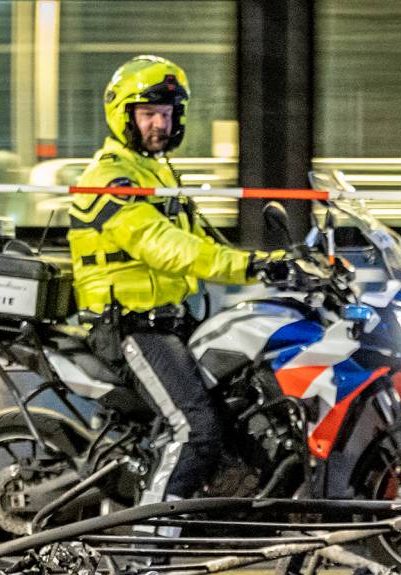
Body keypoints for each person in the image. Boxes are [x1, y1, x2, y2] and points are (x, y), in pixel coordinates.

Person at [67, 55, 290, 505]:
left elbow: (203, 238)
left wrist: (283, 260)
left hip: (169, 321)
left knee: (239, 401)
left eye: (167, 114)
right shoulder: (109, 178)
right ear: (123, 115)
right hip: (130, 326)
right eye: (148, 113)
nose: (159, 125)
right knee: (197, 430)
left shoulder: (159, 173)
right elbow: (164, 245)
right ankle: (148, 548)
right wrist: (248, 268)